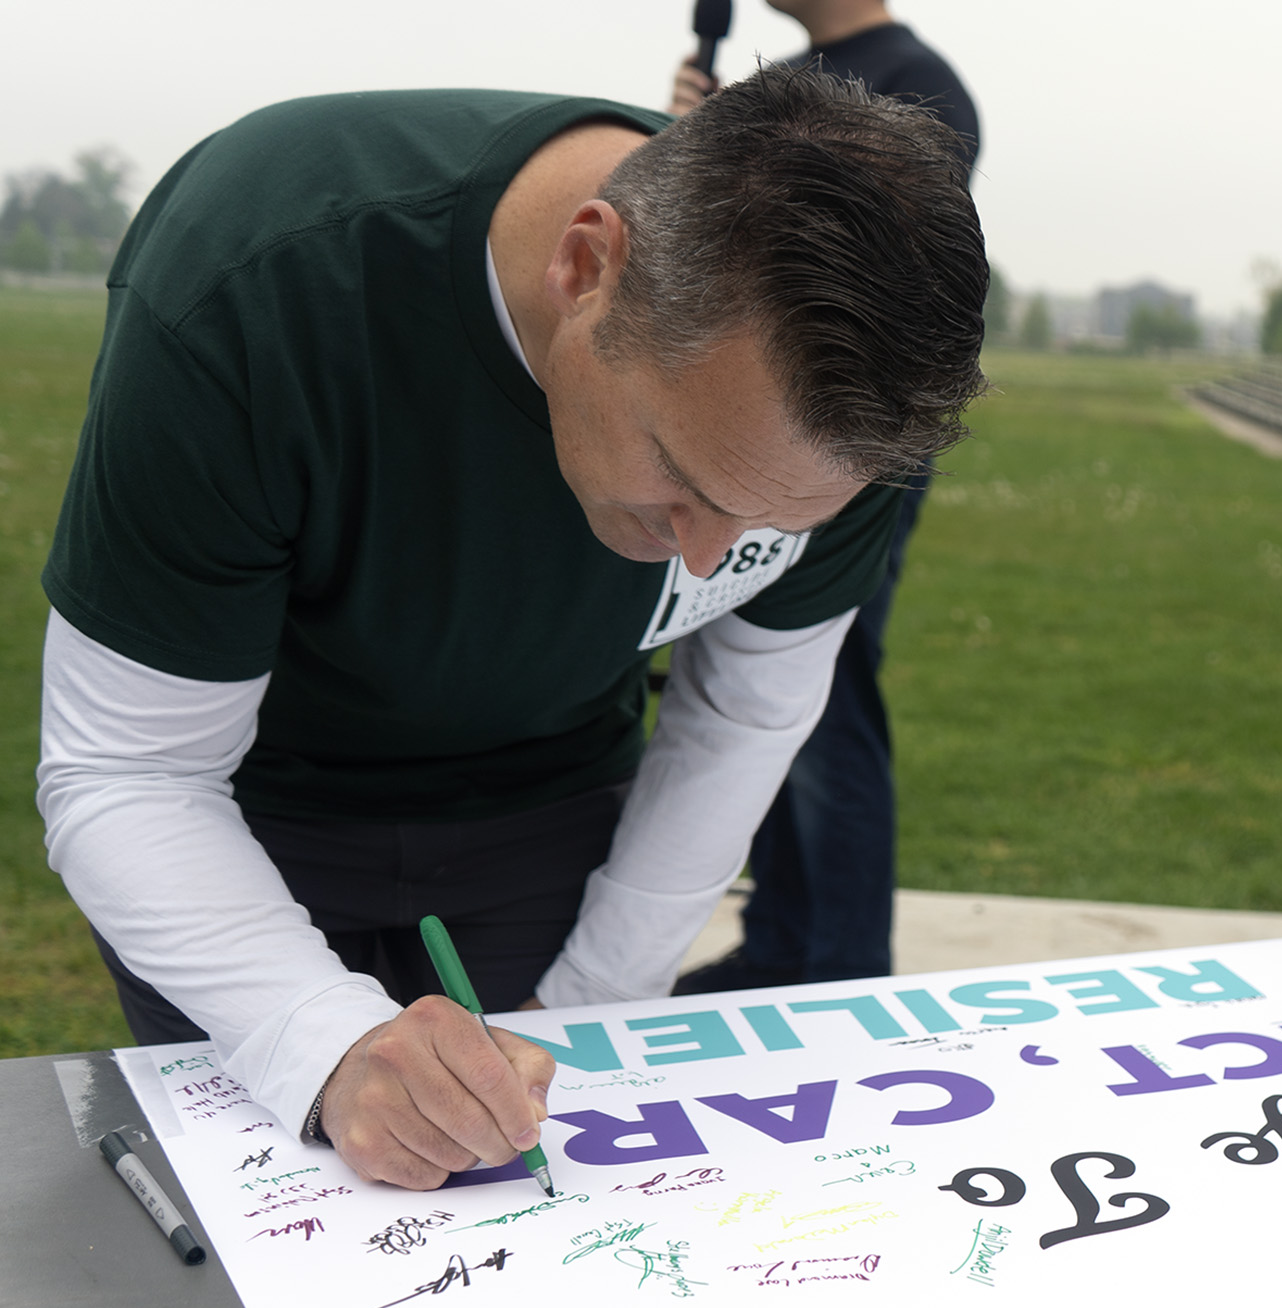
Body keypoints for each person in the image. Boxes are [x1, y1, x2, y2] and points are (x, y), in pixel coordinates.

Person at [37, 67, 987, 1189]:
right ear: (585, 267)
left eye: (776, 523)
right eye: (681, 476)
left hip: (551, 810)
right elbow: (131, 770)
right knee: (285, 1225)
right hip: (241, 819)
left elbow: (744, 714)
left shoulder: (853, 393)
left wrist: (591, 1000)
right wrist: (319, 1037)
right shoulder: (263, 274)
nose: (707, 561)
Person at [669, 0, 981, 991]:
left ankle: (840, 961)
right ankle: (782, 940)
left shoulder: (918, 85)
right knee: (760, 684)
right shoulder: (794, 78)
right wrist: (690, 151)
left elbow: (857, 269)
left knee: (828, 689)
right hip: (770, 431)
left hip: (839, 440)